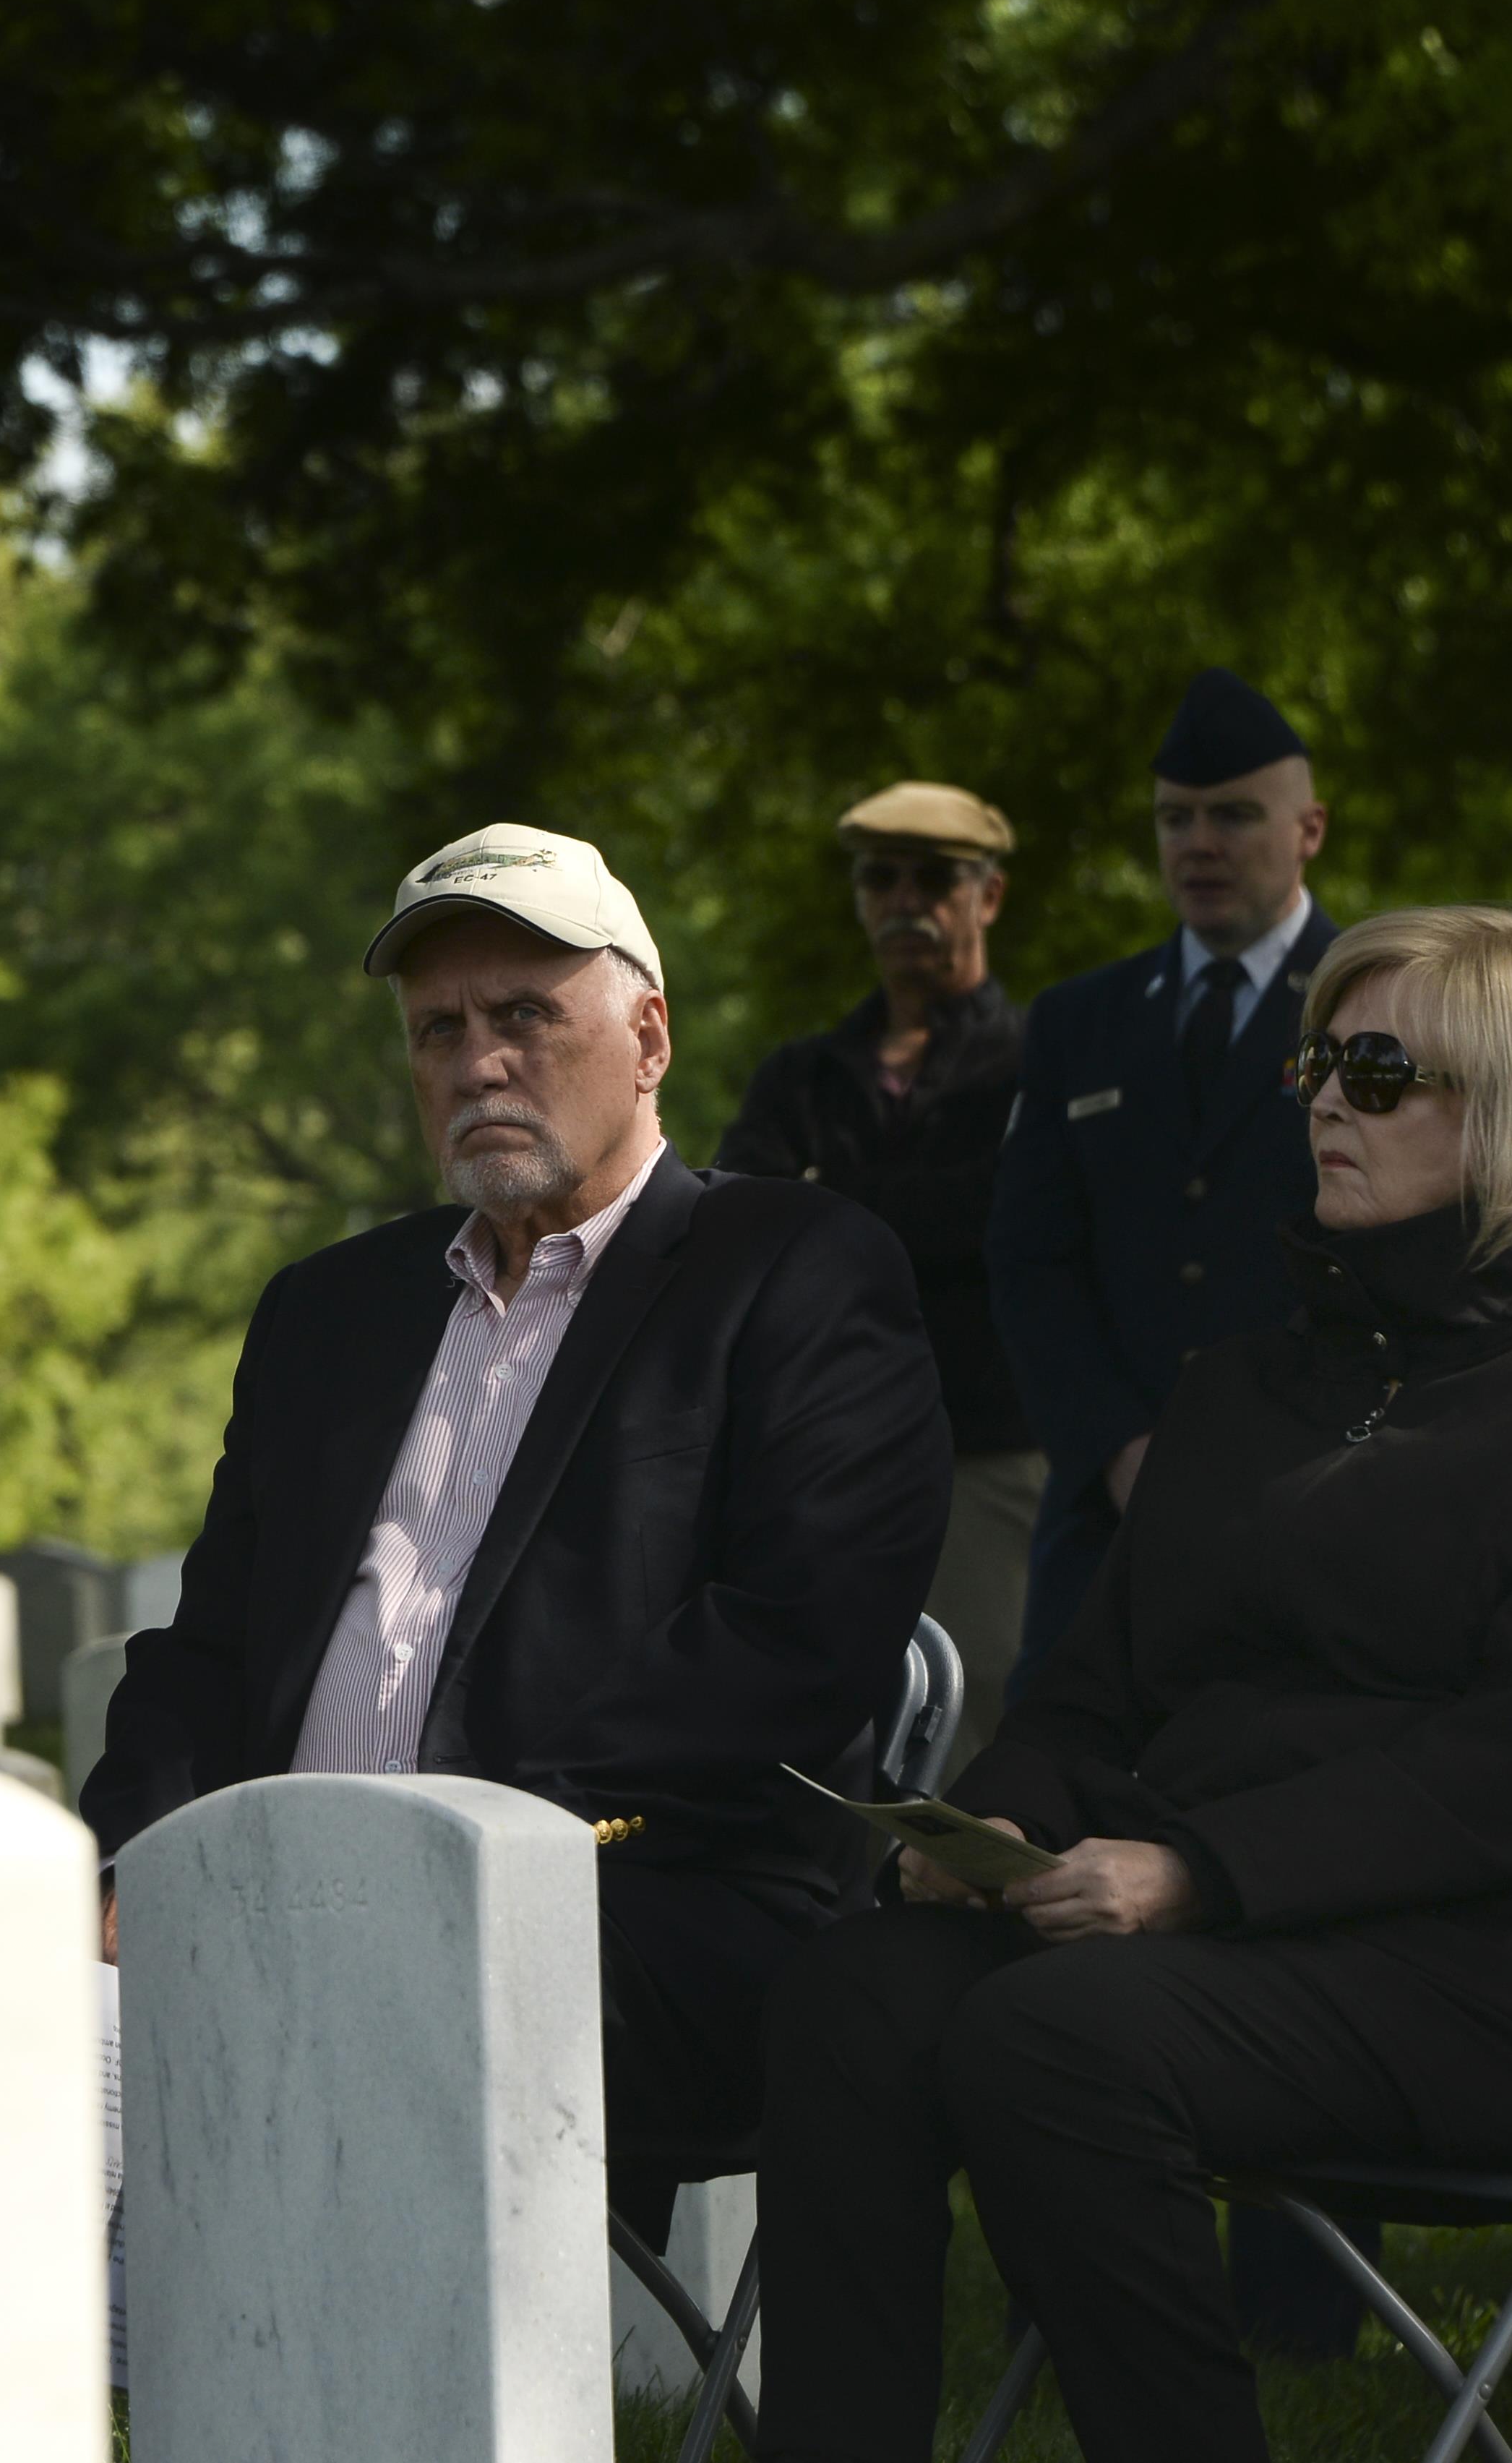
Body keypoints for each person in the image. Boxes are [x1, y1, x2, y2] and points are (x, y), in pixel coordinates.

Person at [760, 904, 1512, 2463]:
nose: (1324, 1101)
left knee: (1057, 2043)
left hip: (1488, 1969)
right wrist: (984, 1834)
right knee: (851, 1993)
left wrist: (1197, 1873)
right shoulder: (1241, 1383)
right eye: (1316, 1062)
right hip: (1193, 1939)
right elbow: (1094, 1700)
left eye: (1375, 1068)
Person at [79, 821, 951, 2235]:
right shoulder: (327, 1315)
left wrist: (441, 1831)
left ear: (649, 1036)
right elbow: (210, 1651)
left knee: (363, 1976)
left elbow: (800, 1643)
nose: (477, 1060)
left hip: (639, 1898)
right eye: (438, 1029)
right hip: (275, 1886)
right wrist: (127, 1864)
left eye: (526, 1016)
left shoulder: (793, 1272)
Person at [990, 669, 1341, 1682]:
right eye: (1173, 818)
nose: (1197, 843)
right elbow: (1027, 1258)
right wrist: (1114, 1444)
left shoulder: (1372, 1000)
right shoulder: (1082, 1021)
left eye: (1232, 815)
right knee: (1045, 1804)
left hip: (1307, 1493)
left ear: (1307, 827)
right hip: (1108, 1510)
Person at [716, 783, 1038, 1746]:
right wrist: (930, 1208)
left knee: (980, 1698)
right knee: (824, 1708)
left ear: (987, 896)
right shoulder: (800, 1074)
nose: (905, 898)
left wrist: (829, 1193)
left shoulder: (1040, 1059)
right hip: (826, 1446)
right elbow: (741, 1229)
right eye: (879, 876)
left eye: (934, 878)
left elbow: (1011, 1218)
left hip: (988, 1445)